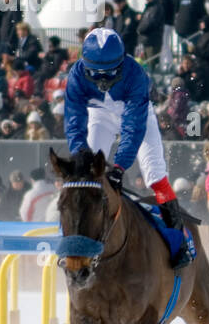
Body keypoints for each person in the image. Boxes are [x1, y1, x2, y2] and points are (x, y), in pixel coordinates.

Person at [64, 28, 189, 268]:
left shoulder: (135, 74)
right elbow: (73, 121)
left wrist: (120, 167)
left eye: (109, 73)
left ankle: (178, 241)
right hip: (98, 115)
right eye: (96, 74)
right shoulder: (76, 75)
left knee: (155, 175)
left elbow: (133, 127)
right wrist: (80, 153)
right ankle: (74, 240)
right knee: (85, 173)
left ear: (120, 63)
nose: (102, 80)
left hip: (138, 116)